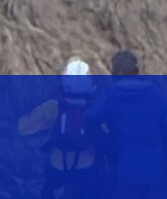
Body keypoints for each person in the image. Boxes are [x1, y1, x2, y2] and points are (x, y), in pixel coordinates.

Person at [84, 50, 167, 199]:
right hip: (155, 171)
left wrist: (105, 142)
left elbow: (89, 119)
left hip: (123, 171)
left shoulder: (111, 94)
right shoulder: (154, 93)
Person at [18, 57, 108, 199]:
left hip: (57, 166)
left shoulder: (53, 106)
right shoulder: (96, 109)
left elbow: (23, 128)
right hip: (87, 167)